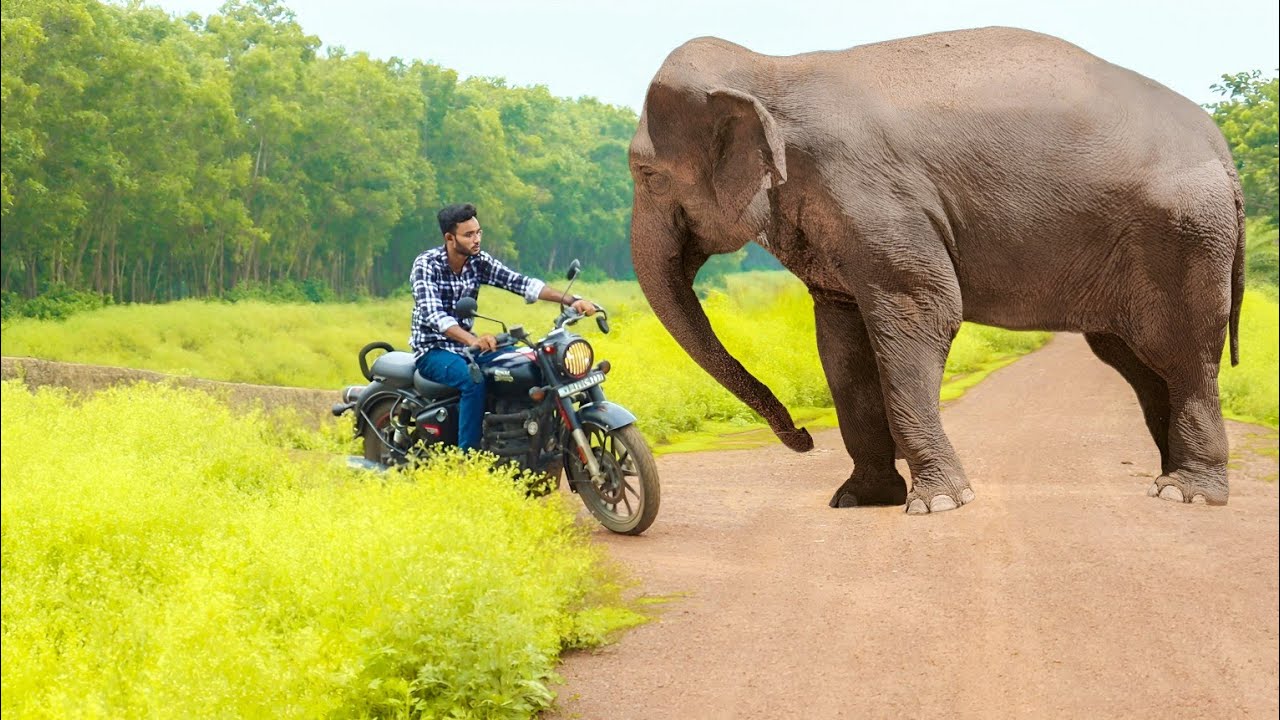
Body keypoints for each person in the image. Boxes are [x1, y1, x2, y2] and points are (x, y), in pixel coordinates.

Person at [410, 202, 597, 452]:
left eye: (478, 232)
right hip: (433, 350)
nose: (476, 239)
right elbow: (434, 314)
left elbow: (520, 283)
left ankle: (523, 439)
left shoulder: (478, 261)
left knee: (524, 364)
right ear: (449, 238)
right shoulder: (426, 265)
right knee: (471, 381)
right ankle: (470, 457)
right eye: (469, 235)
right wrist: (472, 340)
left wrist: (572, 300)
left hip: (469, 346)